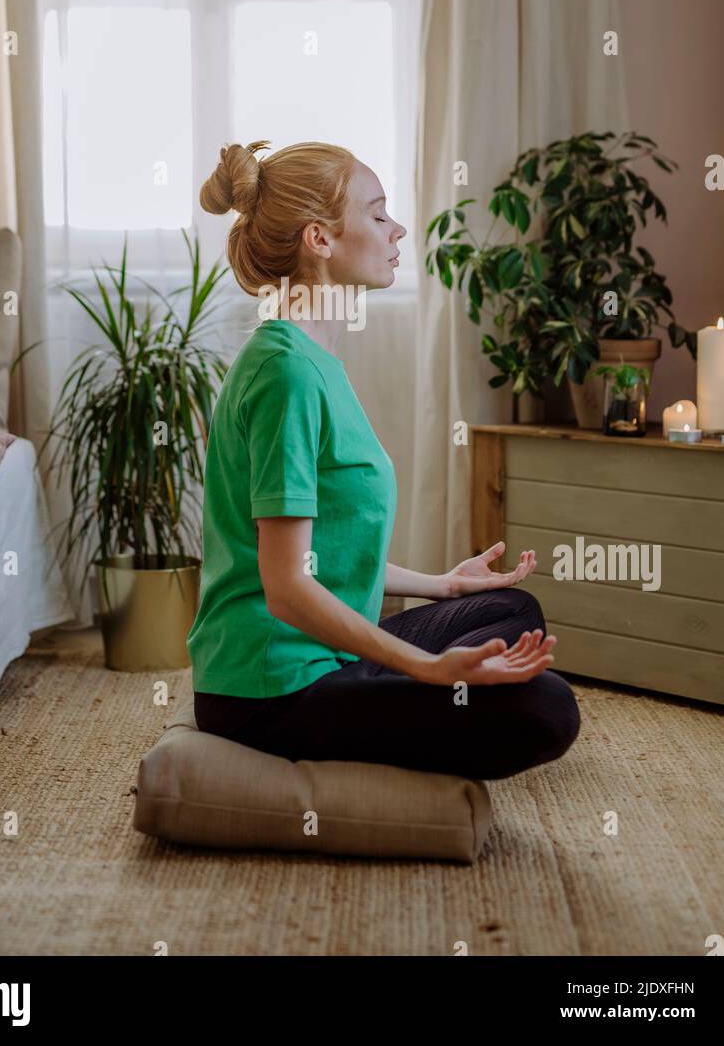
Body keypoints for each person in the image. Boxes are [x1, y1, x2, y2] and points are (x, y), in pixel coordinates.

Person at [187, 139, 580, 781]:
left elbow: (330, 549)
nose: (397, 229)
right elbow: (286, 589)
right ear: (320, 238)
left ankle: (404, 683)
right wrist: (423, 665)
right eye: (378, 213)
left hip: (325, 657)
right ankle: (411, 687)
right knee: (545, 709)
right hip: (270, 689)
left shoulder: (313, 357)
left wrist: (447, 584)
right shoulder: (287, 372)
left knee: (513, 613)